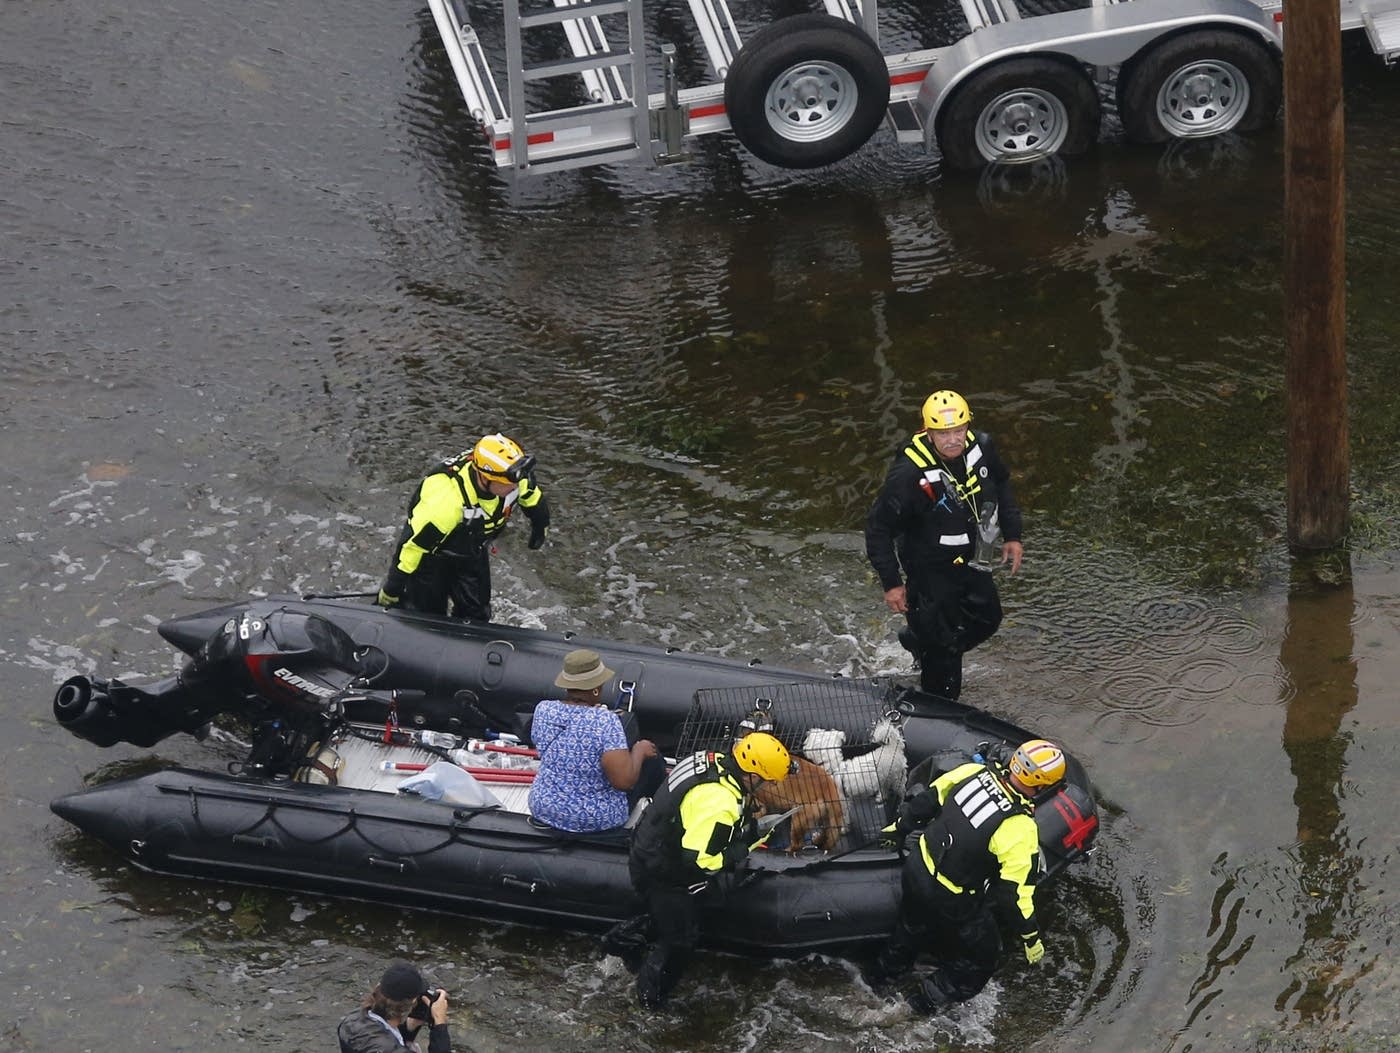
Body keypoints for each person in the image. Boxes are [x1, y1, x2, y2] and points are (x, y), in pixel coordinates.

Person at [865, 739, 1065, 1013]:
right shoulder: (1020, 828)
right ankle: (919, 1005)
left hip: (917, 868)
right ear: (1044, 785)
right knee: (983, 957)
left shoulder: (973, 773)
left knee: (910, 927)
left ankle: (878, 980)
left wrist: (899, 828)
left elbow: (928, 800)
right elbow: (1014, 895)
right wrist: (1030, 937)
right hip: (951, 898)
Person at [610, 731, 795, 1009]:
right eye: (767, 781)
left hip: (649, 843)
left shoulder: (712, 760)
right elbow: (702, 861)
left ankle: (621, 943)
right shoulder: (720, 802)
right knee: (680, 941)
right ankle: (649, 1004)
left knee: (680, 912)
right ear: (753, 776)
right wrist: (750, 841)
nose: (767, 787)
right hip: (661, 868)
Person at [864, 389, 1023, 699]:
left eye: (959, 430)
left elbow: (1001, 484)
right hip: (929, 570)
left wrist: (1013, 533)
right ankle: (938, 699)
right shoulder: (908, 474)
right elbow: (878, 528)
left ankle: (920, 643)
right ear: (927, 431)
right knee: (945, 660)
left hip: (971, 558)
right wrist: (892, 583)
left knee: (988, 619)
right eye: (943, 432)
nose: (953, 439)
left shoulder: (983, 447)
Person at [378, 433, 550, 622]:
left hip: (471, 552)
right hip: (431, 558)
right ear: (485, 478)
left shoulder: (516, 479)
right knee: (427, 617)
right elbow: (412, 547)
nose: (516, 486)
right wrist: (391, 590)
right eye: (508, 484)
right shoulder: (446, 504)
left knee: (478, 614)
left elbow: (533, 500)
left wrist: (539, 527)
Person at [527, 648, 663, 832]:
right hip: (593, 819)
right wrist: (639, 751)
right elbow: (624, 782)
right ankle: (660, 822)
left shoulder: (543, 710)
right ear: (596, 689)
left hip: (542, 807)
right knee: (652, 761)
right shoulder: (605, 721)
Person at [337, 960, 453, 1053]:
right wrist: (439, 1024)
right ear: (412, 1002)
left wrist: (410, 1027)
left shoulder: (350, 1021)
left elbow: (379, 1039)